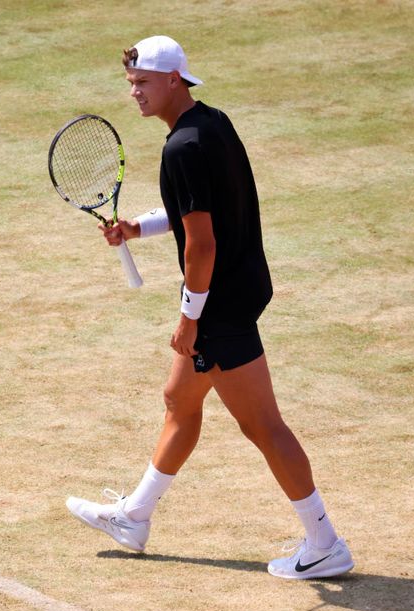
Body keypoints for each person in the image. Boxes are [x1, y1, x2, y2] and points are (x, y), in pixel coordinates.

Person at [65, 35, 354, 579]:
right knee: (179, 400)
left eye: (143, 83)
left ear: (174, 79)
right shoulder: (211, 124)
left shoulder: (181, 149)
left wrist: (189, 319)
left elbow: (202, 246)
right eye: (130, 84)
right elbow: (197, 212)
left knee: (263, 425)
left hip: (218, 307)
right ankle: (134, 516)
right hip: (241, 289)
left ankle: (324, 543)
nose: (135, 93)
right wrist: (137, 227)